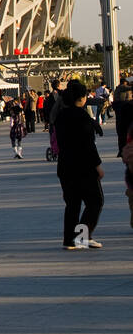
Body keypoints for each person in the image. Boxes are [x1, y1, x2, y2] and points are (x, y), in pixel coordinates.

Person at [54, 81, 104, 249]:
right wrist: (97, 165)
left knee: (72, 204)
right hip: (84, 167)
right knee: (95, 202)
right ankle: (83, 237)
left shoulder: (60, 116)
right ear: (82, 98)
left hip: (65, 166)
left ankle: (69, 240)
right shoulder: (82, 116)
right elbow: (88, 144)